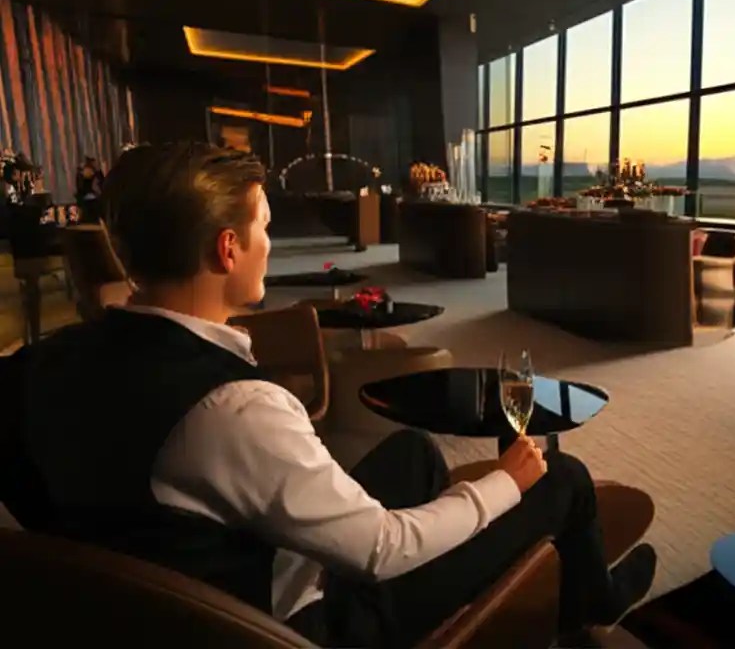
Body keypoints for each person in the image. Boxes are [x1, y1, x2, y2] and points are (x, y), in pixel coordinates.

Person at [12, 142, 656, 648]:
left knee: (411, 452)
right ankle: (588, 608)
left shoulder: (44, 359)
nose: (270, 243)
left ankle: (500, 577)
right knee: (561, 478)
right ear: (228, 247)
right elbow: (383, 549)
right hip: (301, 622)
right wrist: (505, 484)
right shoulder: (233, 408)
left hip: (202, 583)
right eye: (265, 227)